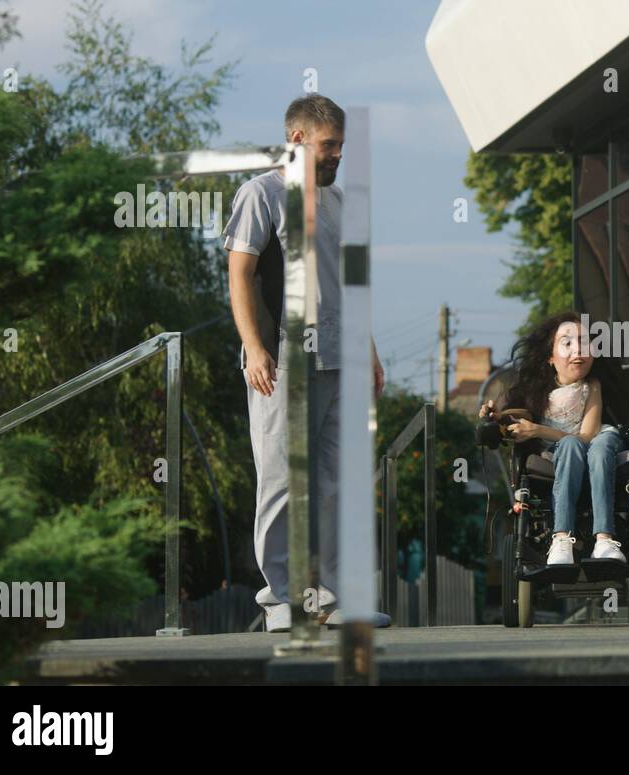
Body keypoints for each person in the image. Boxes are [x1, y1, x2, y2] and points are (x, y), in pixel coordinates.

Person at [223, 94, 387, 631]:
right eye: (329, 145)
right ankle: (281, 602)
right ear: (297, 140)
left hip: (343, 361)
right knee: (282, 482)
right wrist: (253, 346)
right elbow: (240, 275)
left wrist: (371, 353)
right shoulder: (260, 194)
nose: (338, 154)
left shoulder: (340, 201)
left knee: (336, 484)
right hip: (285, 361)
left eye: (341, 145)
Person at [480, 311, 627, 566]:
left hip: (596, 442)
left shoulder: (591, 386)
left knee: (597, 446)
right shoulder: (537, 393)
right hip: (563, 451)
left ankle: (604, 539)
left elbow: (588, 436)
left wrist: (537, 430)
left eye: (583, 341)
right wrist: (494, 416)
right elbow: (514, 422)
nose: (577, 349)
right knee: (568, 445)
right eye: (568, 343)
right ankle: (561, 539)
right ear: (550, 357)